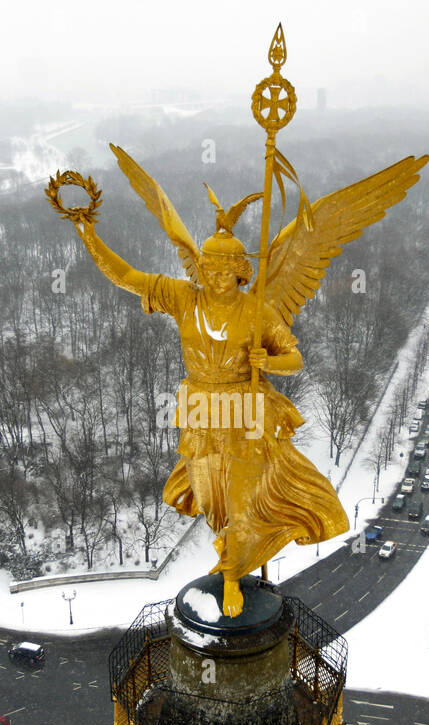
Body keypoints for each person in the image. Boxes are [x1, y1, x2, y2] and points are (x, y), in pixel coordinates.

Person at [73, 214, 345, 617]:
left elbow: (294, 358)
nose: (217, 278)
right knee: (209, 496)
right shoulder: (184, 297)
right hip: (201, 407)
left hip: (244, 408)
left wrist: (268, 362)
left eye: (226, 271)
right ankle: (229, 557)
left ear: (241, 273)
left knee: (240, 501)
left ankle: (232, 576)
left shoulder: (257, 312)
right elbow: (126, 276)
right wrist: (89, 234)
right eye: (210, 269)